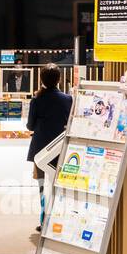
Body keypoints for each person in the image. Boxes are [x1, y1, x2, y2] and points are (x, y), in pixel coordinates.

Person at [25, 64, 72, 233]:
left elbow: (30, 126)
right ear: (59, 79)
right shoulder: (68, 99)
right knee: (60, 184)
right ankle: (60, 219)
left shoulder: (37, 99)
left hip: (40, 149)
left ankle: (44, 220)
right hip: (61, 148)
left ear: (41, 80)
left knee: (43, 186)